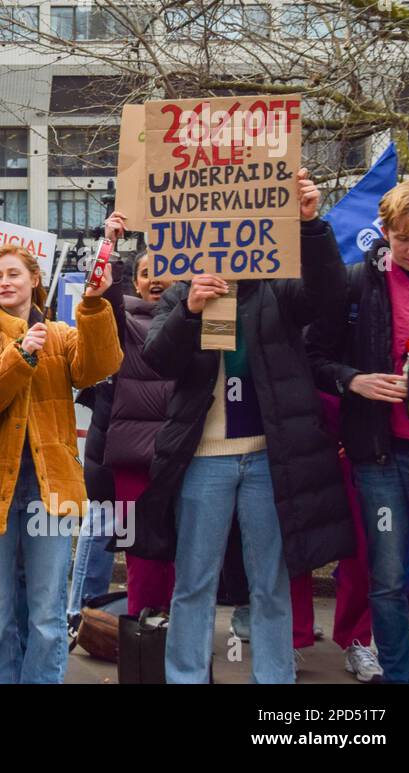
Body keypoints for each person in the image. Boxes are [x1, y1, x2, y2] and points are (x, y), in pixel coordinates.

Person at [134, 168, 352, 684]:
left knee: (270, 584)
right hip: (204, 460)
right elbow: (158, 362)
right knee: (194, 582)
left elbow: (329, 295)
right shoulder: (181, 292)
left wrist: (311, 225)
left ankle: (274, 682)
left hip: (267, 460)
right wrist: (188, 310)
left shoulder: (277, 287)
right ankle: (186, 677)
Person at [0, 238, 121, 684]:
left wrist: (93, 305)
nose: (6, 281)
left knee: (47, 615)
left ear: (35, 280)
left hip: (51, 490)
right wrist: (22, 353)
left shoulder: (62, 334)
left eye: (14, 273)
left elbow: (98, 366)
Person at [306, 178, 409, 683]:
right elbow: (315, 356)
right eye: (404, 237)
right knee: (385, 579)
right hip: (382, 454)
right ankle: (397, 676)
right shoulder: (357, 281)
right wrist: (355, 380)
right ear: (384, 231)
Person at [83, 218, 176, 617]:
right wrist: (109, 244)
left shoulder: (195, 319)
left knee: (182, 554)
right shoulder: (123, 321)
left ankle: (178, 637)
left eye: (164, 271)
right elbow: (105, 292)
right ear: (135, 283)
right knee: (141, 557)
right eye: (145, 273)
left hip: (183, 453)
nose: (155, 280)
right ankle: (142, 634)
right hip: (133, 461)